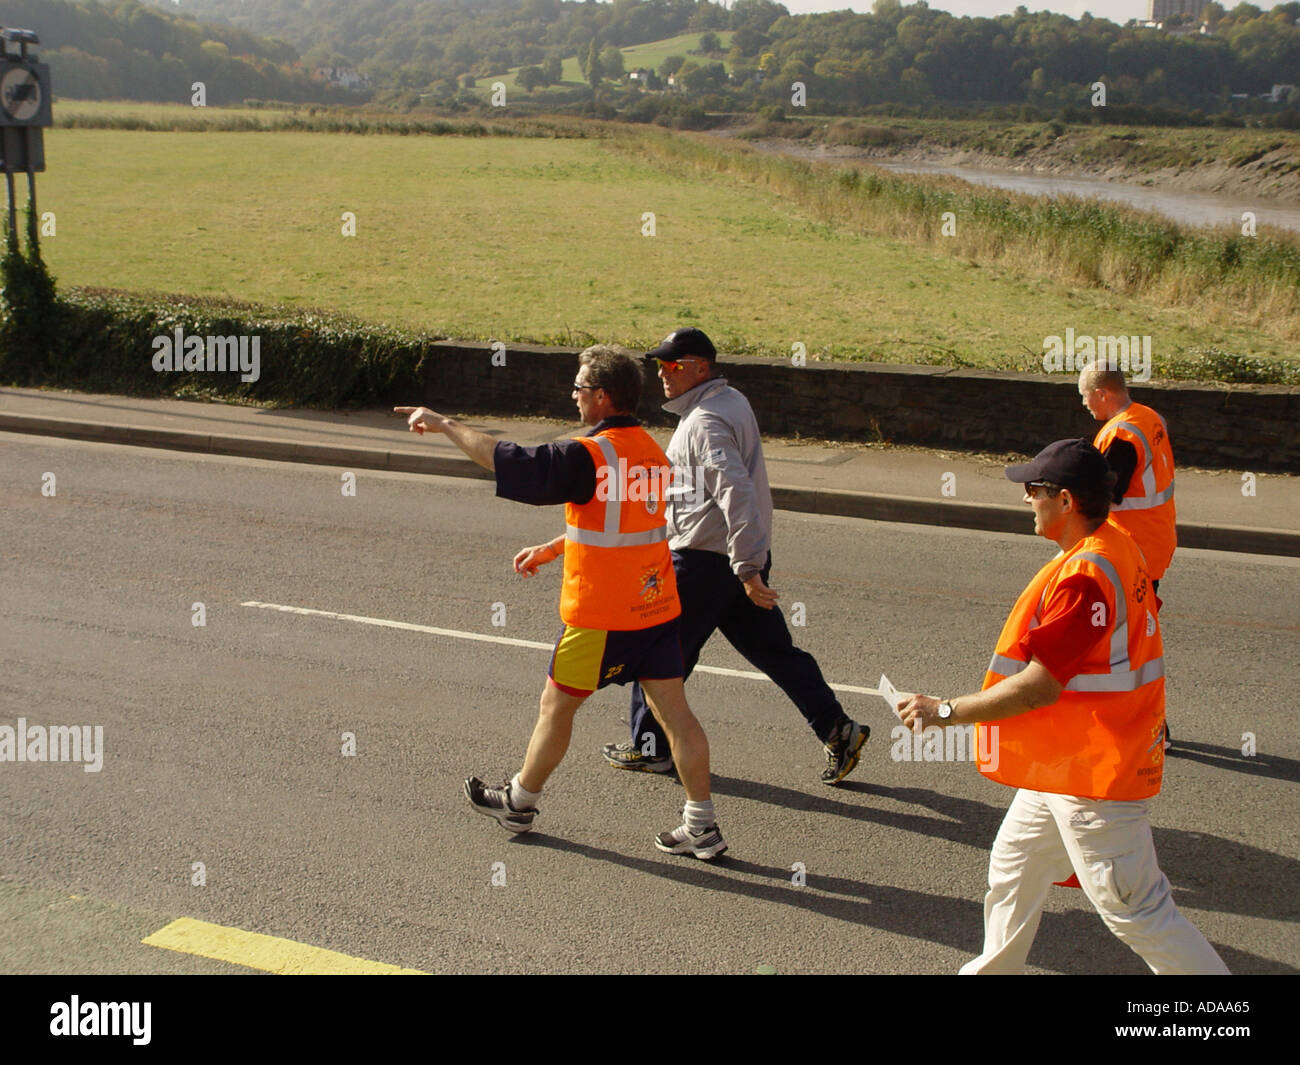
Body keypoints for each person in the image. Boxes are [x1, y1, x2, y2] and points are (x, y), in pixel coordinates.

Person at [898, 439, 1228, 975]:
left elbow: (1040, 687)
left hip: (1094, 774)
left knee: (1137, 912)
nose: (1027, 499)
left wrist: (944, 711)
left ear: (1067, 501)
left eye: (1034, 490)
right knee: (1014, 867)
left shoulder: (1084, 578)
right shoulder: (1113, 541)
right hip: (1068, 763)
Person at [394, 345, 727, 859]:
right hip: (656, 611)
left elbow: (507, 460)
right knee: (678, 716)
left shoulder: (586, 454)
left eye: (578, 388)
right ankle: (701, 825)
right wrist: (555, 546)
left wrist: (444, 424)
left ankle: (519, 801)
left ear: (600, 397)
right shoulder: (651, 453)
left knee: (556, 706)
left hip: (600, 619)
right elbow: (621, 523)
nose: (573, 397)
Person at [599, 328, 870, 786]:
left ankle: (651, 749)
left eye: (674, 365)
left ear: (701, 367)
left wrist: (746, 567)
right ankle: (837, 729)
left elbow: (735, 491)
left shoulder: (704, 421)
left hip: (704, 564)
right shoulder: (730, 401)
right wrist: (750, 564)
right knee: (776, 652)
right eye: (661, 365)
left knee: (659, 655)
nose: (664, 374)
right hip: (734, 559)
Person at [1078, 363, 1177, 748]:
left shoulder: (1121, 435)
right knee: (1131, 636)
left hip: (1132, 551)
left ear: (1102, 393)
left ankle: (1151, 727)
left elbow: (1108, 492)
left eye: (1085, 396)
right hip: (1153, 542)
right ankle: (1137, 719)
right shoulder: (1147, 416)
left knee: (1130, 640)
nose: (1085, 404)